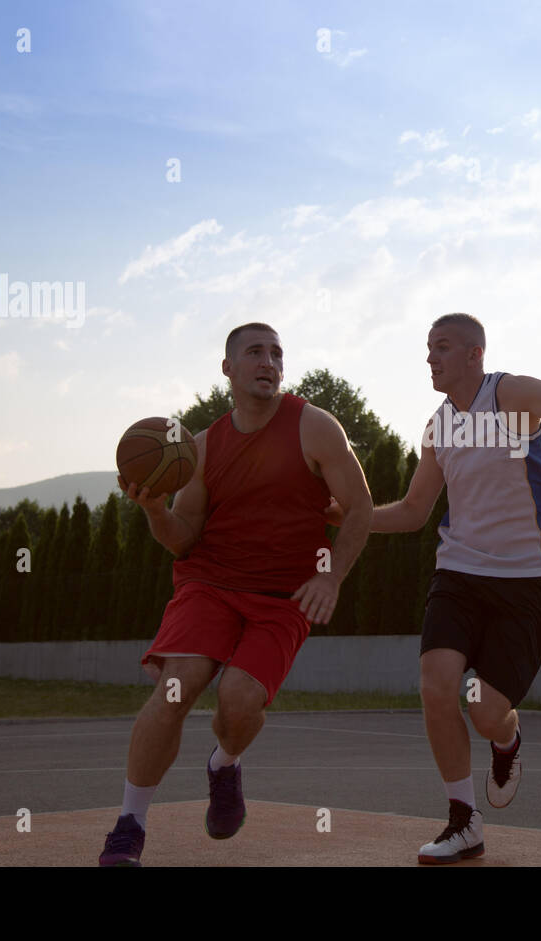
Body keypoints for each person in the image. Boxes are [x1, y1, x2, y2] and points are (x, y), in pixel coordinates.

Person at [99, 322, 372, 866]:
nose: (268, 362)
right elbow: (184, 538)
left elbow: (360, 507)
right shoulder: (200, 449)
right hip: (211, 585)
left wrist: (331, 576)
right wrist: (156, 510)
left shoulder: (315, 428)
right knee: (176, 689)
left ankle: (223, 764)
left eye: (276, 353)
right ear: (229, 369)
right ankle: (129, 824)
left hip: (282, 595)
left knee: (240, 700)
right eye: (254, 352)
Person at [368, 312, 541, 863]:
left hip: (525, 581)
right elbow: (413, 511)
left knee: (483, 712)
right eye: (428, 348)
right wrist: (353, 516)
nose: (430, 357)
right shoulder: (438, 426)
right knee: (436, 686)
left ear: (474, 354)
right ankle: (463, 821)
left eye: (443, 347)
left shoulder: (509, 394)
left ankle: (506, 740)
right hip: (458, 575)